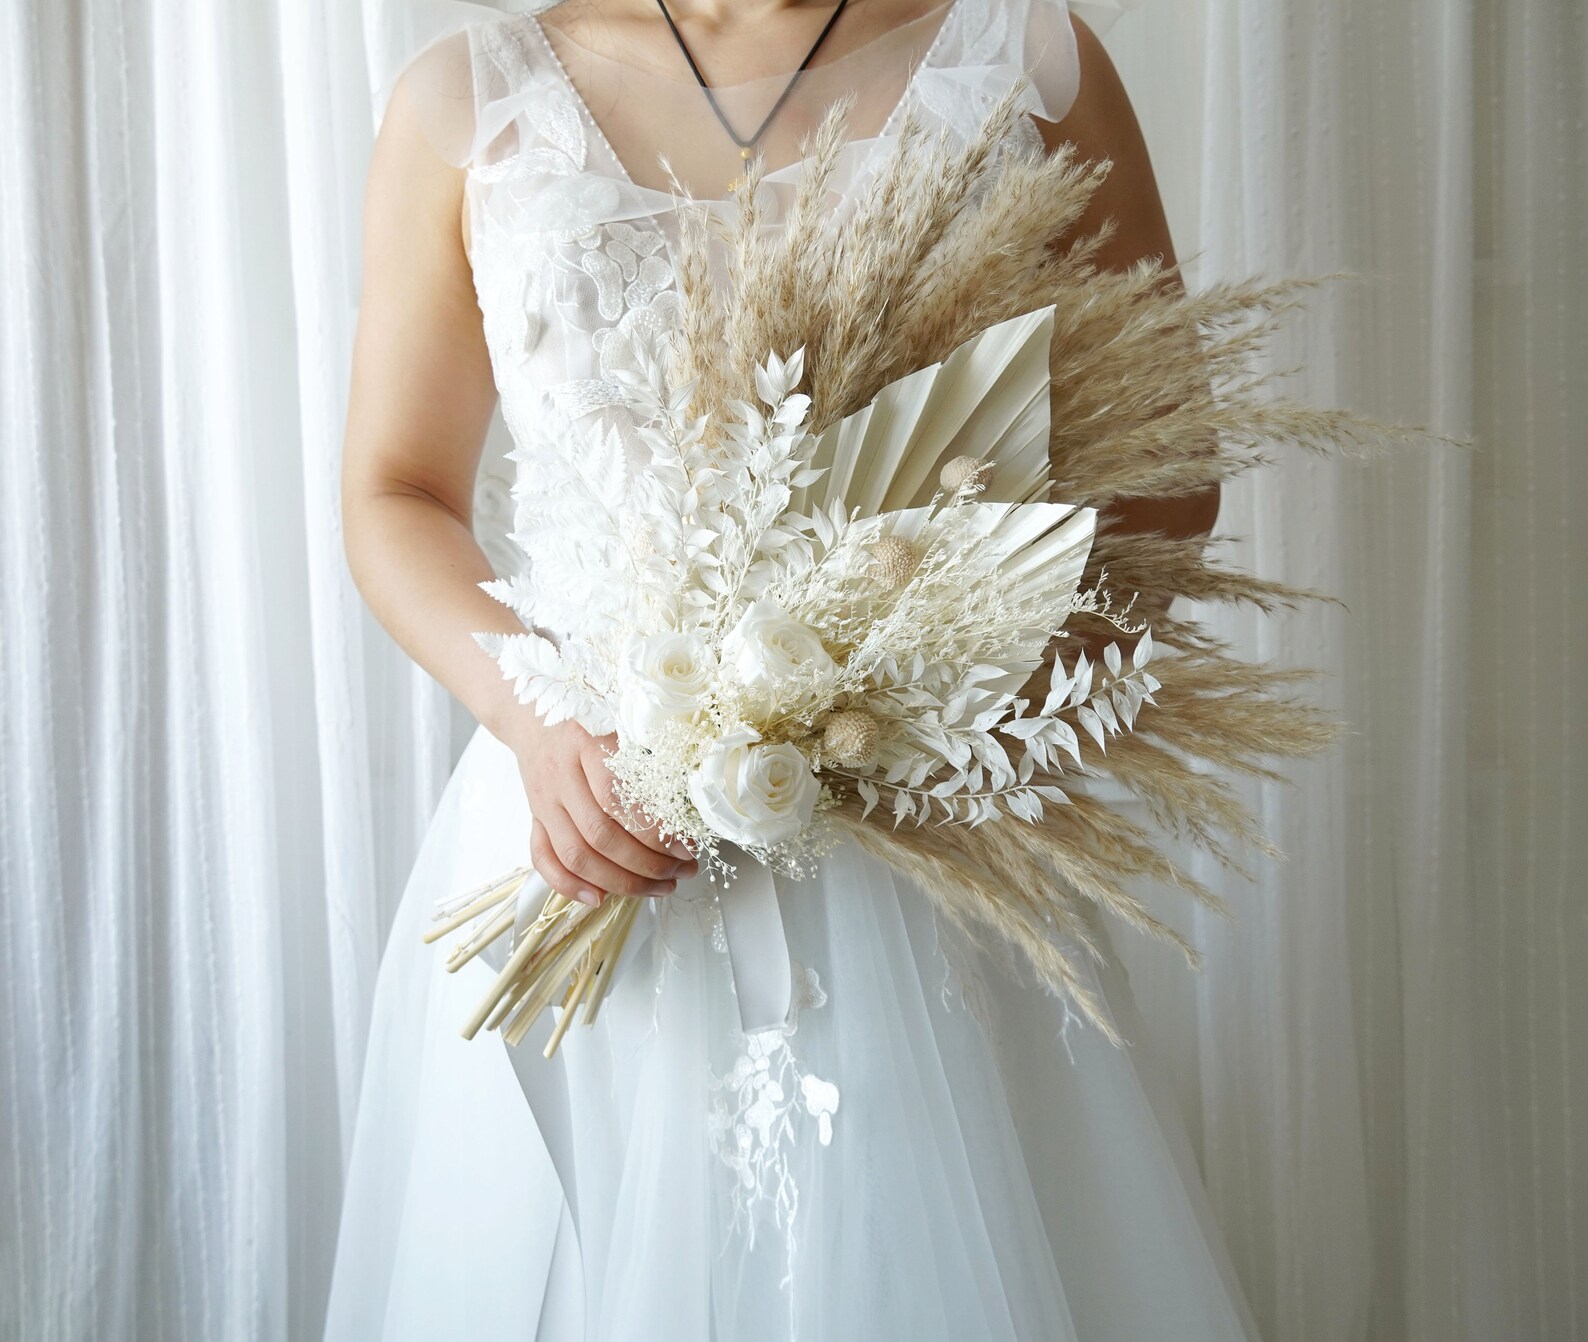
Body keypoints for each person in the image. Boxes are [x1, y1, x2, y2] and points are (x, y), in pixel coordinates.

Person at [325, 1, 1256, 1336]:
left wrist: (912, 677)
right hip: (587, 832)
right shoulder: (470, 104)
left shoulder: (1022, 55)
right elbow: (393, 490)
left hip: (927, 847)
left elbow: (1168, 480)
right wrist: (533, 719)